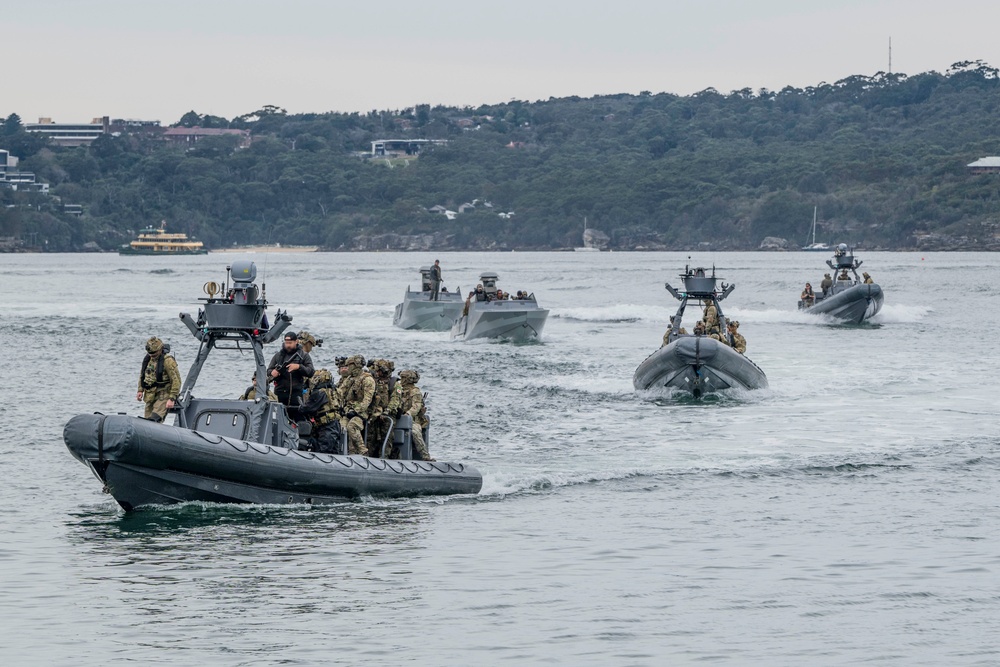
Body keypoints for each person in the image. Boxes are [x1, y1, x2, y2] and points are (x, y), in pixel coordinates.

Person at [136, 336, 181, 422]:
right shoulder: (148, 359)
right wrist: (140, 390)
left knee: (155, 419)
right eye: (150, 353)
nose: (152, 355)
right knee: (146, 421)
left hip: (163, 394)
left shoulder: (168, 361)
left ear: (160, 349)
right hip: (150, 395)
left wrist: (172, 398)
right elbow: (143, 375)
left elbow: (176, 381)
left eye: (154, 353)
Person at [298, 369, 341, 453]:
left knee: (324, 450)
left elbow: (308, 408)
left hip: (326, 427)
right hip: (334, 424)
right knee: (333, 450)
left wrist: (301, 407)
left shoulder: (319, 393)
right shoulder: (333, 391)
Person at [339, 355, 375, 456]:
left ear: (355, 366)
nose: (347, 368)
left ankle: (363, 451)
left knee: (352, 426)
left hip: (362, 412)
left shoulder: (367, 379)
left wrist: (356, 411)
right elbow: (340, 392)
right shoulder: (350, 379)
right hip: (348, 410)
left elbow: (367, 400)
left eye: (349, 366)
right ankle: (346, 451)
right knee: (341, 426)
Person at [267, 331, 315, 406]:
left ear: (296, 342)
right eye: (286, 343)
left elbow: (311, 371)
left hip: (296, 393)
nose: (288, 345)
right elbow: (269, 370)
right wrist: (272, 372)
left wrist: (299, 367)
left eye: (290, 343)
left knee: (297, 412)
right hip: (280, 392)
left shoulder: (303, 355)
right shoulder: (278, 356)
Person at [398, 369, 433, 461]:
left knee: (415, 432)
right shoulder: (398, 389)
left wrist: (408, 414)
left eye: (403, 378)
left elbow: (416, 407)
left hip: (412, 421)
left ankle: (425, 456)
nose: (401, 380)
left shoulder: (415, 392)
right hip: (398, 418)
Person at [367, 359, 396, 457]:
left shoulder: (394, 383)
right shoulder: (373, 382)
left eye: (379, 371)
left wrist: (387, 411)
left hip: (388, 414)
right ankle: (367, 454)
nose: (377, 373)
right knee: (370, 434)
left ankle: (384, 456)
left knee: (386, 435)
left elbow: (395, 400)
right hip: (375, 412)